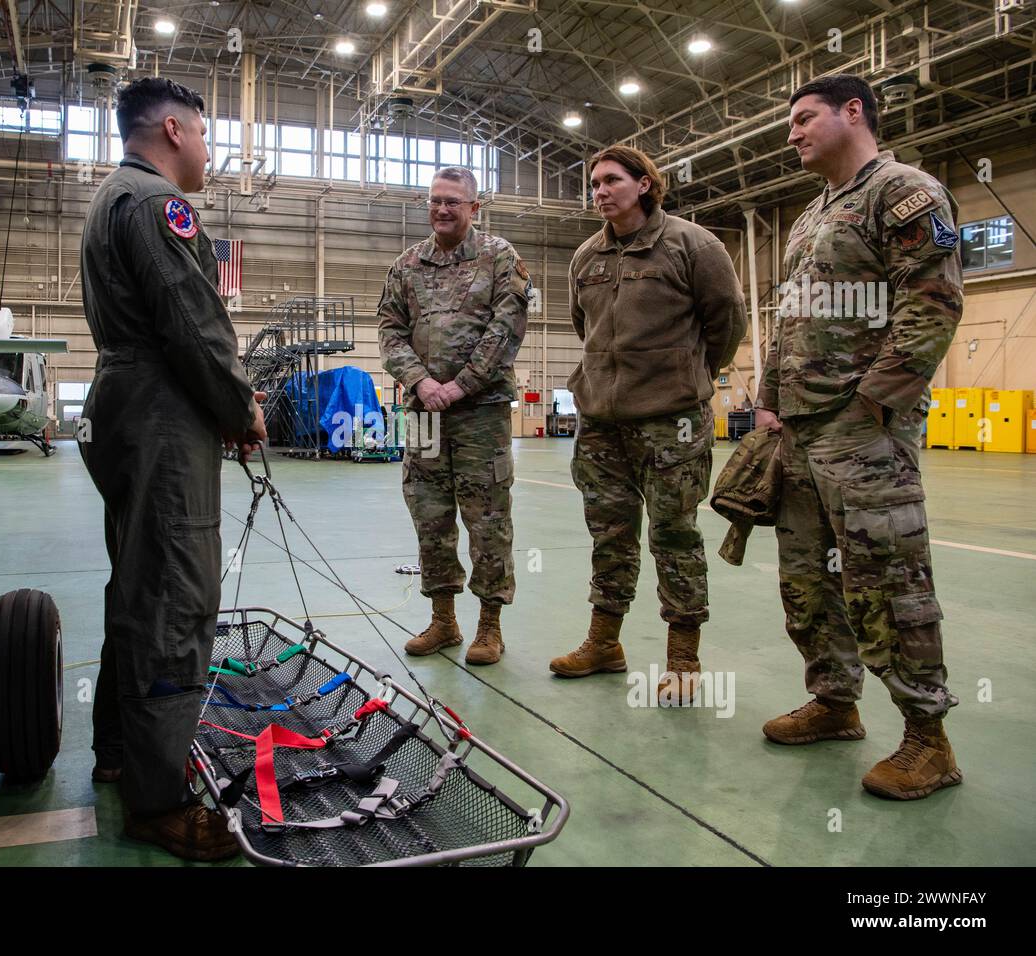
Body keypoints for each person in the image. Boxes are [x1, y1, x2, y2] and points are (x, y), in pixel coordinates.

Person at [755, 73, 964, 800]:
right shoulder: (812, 215)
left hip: (866, 431)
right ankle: (836, 703)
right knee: (807, 581)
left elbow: (933, 303)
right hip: (803, 431)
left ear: (854, 113)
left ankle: (928, 740)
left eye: (805, 118)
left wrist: (873, 407)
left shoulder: (902, 191)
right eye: (791, 122)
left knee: (887, 582)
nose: (793, 132)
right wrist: (769, 403)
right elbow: (790, 319)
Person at [78, 77, 265, 859]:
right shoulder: (160, 206)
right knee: (176, 595)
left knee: (138, 578)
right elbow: (193, 322)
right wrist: (239, 406)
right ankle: (160, 804)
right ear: (176, 130)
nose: (210, 152)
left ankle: (120, 751)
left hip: (121, 402)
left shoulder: (108, 197)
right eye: (206, 134)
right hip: (161, 410)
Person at [548, 144, 746, 706]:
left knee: (674, 534)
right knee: (609, 534)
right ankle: (604, 642)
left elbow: (726, 321)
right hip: (601, 422)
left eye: (611, 180)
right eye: (594, 183)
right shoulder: (587, 256)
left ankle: (684, 660)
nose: (600, 191)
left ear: (645, 184)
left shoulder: (692, 244)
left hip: (671, 422)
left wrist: (689, 376)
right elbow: (582, 325)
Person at [377, 166, 530, 665]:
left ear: (474, 208)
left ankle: (490, 626)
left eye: (453, 202)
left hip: (480, 412)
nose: (442, 209)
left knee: (487, 517)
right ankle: (443, 620)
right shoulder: (406, 264)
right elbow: (389, 330)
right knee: (429, 513)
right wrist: (422, 383)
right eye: (435, 200)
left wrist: (460, 386)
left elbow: (505, 328)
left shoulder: (499, 257)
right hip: (423, 414)